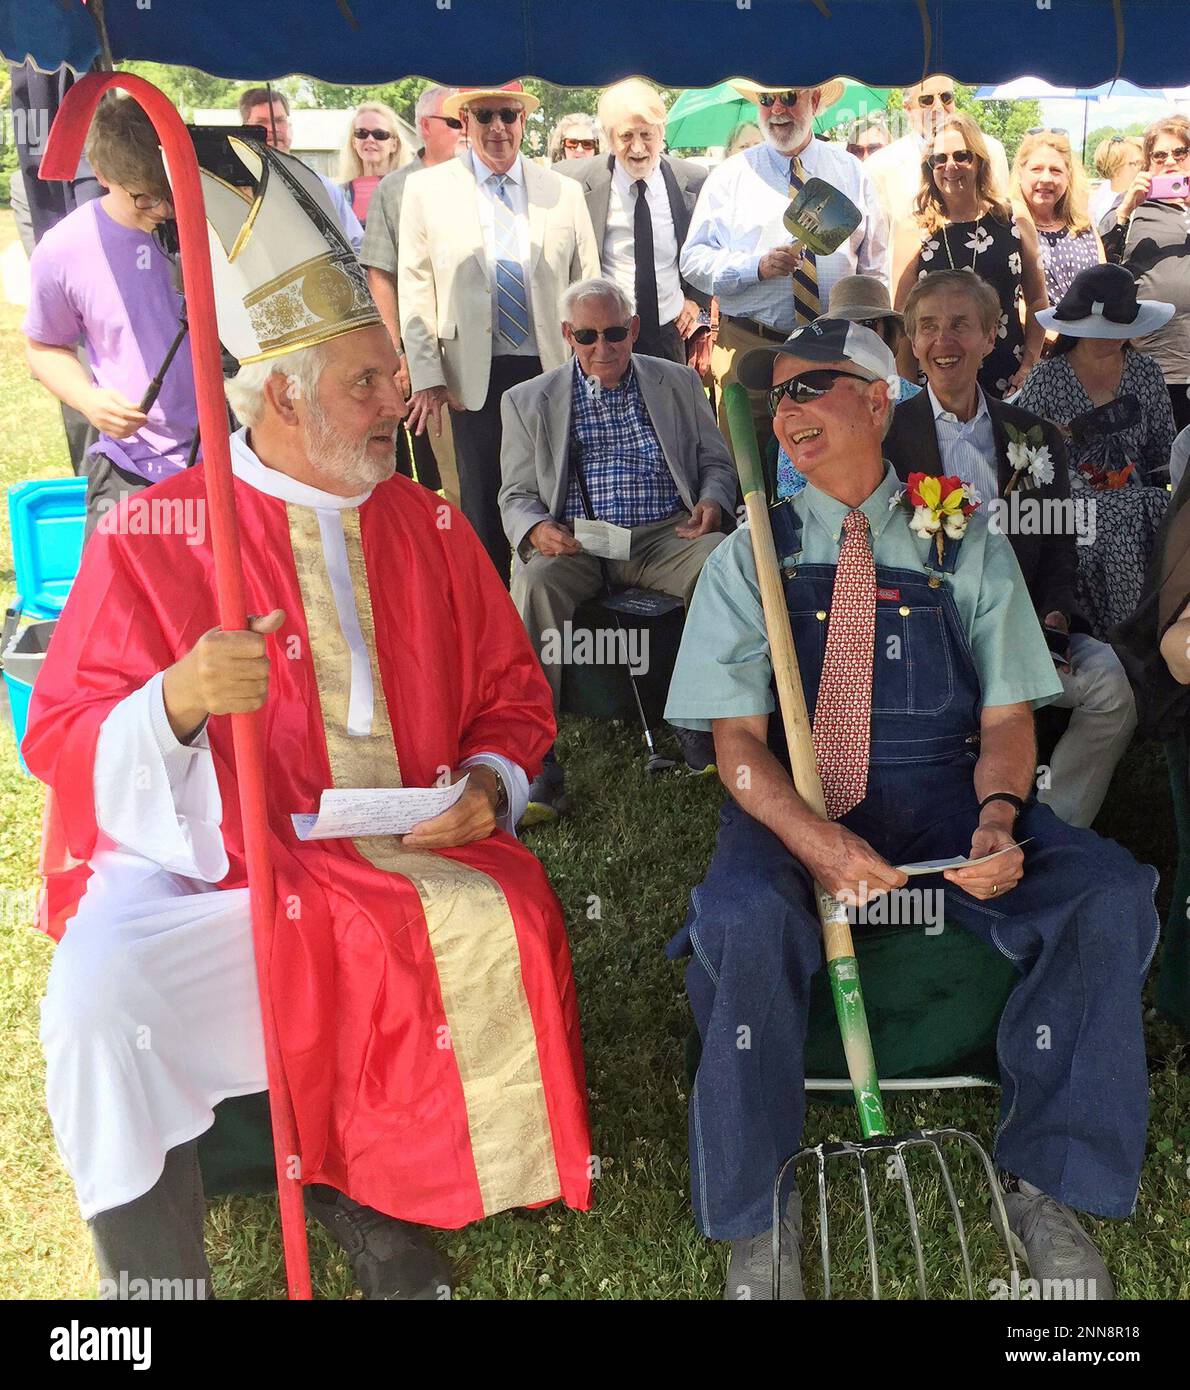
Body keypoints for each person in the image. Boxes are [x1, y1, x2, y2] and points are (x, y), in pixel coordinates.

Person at [23, 142, 592, 1300]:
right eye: (367, 384)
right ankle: (154, 1283)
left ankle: (377, 1200)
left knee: (497, 915)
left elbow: (511, 696)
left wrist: (490, 784)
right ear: (282, 392)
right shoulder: (161, 527)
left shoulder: (428, 523)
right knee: (100, 1002)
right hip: (212, 869)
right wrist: (176, 701)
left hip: (391, 848)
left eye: (393, 377)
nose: (398, 404)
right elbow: (62, 733)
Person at [664, 316, 1156, 1301]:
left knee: (1105, 894)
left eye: (811, 388)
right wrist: (813, 841)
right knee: (741, 918)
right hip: (792, 812)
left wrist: (995, 815)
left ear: (876, 398)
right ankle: (758, 1212)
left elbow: (1008, 714)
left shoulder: (952, 525)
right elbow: (735, 750)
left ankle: (1044, 1175)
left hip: (943, 798)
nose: (785, 410)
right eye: (775, 397)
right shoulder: (751, 549)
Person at [885, 270, 1137, 829]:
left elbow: (1060, 544)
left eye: (959, 325)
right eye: (928, 327)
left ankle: (1053, 823)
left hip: (1023, 632)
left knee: (1113, 690)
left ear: (989, 337)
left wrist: (1053, 617)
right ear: (913, 341)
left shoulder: (1035, 436)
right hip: (928, 636)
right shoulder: (886, 438)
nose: (943, 341)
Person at [499, 277, 735, 817]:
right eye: (587, 336)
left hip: (665, 535)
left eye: (613, 333)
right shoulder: (527, 401)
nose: (601, 348)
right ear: (567, 335)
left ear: (632, 329)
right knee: (535, 582)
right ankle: (536, 752)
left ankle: (704, 719)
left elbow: (717, 462)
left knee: (721, 565)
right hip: (579, 542)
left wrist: (712, 502)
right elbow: (514, 494)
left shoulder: (677, 381)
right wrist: (536, 527)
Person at [399, 82, 600, 580]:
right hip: (470, 376)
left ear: (523, 121)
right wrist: (426, 373)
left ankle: (554, 597)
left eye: (507, 115)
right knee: (481, 498)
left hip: (550, 365)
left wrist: (594, 361)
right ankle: (489, 606)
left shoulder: (565, 192)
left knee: (557, 488)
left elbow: (588, 282)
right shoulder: (426, 190)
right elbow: (415, 286)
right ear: (463, 121)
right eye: (484, 115)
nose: (497, 128)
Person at [680, 79, 888, 456]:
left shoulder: (852, 172)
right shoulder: (730, 176)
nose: (777, 109)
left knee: (832, 461)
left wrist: (867, 333)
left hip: (833, 348)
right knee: (749, 471)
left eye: (789, 98)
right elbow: (693, 263)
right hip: (749, 346)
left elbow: (874, 267)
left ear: (815, 100)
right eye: (767, 99)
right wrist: (754, 267)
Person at [22, 93, 197, 536]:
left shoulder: (212, 223)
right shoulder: (64, 249)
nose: (164, 210)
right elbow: (43, 346)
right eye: (143, 198)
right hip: (133, 467)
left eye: (171, 192)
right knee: (119, 601)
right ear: (101, 176)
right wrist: (89, 401)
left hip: (239, 457)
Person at [1018, 265, 1176, 641]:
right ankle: (1128, 638)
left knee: (1149, 506)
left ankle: (1148, 635)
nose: (1107, 340)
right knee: (1127, 512)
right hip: (1066, 504)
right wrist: (1052, 441)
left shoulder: (1146, 372)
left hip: (1139, 502)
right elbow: (1023, 463)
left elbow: (1163, 455)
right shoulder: (1047, 378)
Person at [555, 78, 712, 370]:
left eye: (647, 134)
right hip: (606, 337)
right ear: (608, 137)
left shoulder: (692, 181)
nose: (638, 147)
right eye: (626, 136)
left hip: (668, 331)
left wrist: (696, 300)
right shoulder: (575, 184)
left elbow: (709, 243)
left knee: (666, 414)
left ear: (662, 132)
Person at [359, 84, 465, 502]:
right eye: (455, 121)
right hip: (431, 355)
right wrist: (398, 353)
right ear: (425, 126)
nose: (467, 130)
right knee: (454, 477)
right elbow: (380, 273)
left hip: (490, 353)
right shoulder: (396, 188)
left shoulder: (484, 179)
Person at [892, 113, 1047, 398]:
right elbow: (902, 317)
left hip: (1008, 372)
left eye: (962, 156)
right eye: (940, 159)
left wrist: (1030, 364)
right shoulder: (913, 228)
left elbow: (1037, 299)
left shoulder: (1013, 217)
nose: (950, 166)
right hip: (939, 374)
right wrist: (909, 388)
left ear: (979, 161)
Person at [774, 275, 921, 500]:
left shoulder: (923, 401)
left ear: (889, 332)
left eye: (868, 324)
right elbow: (790, 489)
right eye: (844, 326)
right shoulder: (801, 407)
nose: (856, 333)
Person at [1101, 116, 1190, 432]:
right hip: (1153, 362)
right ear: (1148, 164)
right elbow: (1102, 264)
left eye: (1180, 152)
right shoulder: (1135, 207)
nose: (1171, 162)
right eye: (1160, 156)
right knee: (1155, 462)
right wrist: (1125, 208)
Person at [865, 75, 1011, 252]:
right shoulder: (880, 166)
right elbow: (877, 249)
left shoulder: (991, 151)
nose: (939, 107)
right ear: (907, 108)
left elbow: (1002, 217)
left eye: (946, 97)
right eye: (926, 100)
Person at [237, 86, 364, 252]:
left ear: (289, 126)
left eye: (279, 120)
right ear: (245, 129)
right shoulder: (231, 189)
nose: (273, 129)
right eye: (262, 122)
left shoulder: (321, 188)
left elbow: (358, 246)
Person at [1012, 129, 1104, 309]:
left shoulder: (1083, 226)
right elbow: (1009, 296)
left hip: (1090, 333)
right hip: (1038, 334)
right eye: (1036, 169)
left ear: (1068, 176)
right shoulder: (1008, 228)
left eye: (1055, 171)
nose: (1046, 178)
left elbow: (1103, 284)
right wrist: (1052, 335)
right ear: (1021, 173)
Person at [337, 100, 408, 227]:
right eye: (361, 133)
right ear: (354, 142)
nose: (370, 139)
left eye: (379, 134)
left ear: (394, 145)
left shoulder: (409, 191)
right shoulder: (339, 194)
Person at [1089, 134, 1144, 225]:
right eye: (1136, 164)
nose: (1143, 169)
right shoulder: (1106, 207)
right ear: (1114, 167)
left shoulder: (1102, 193)